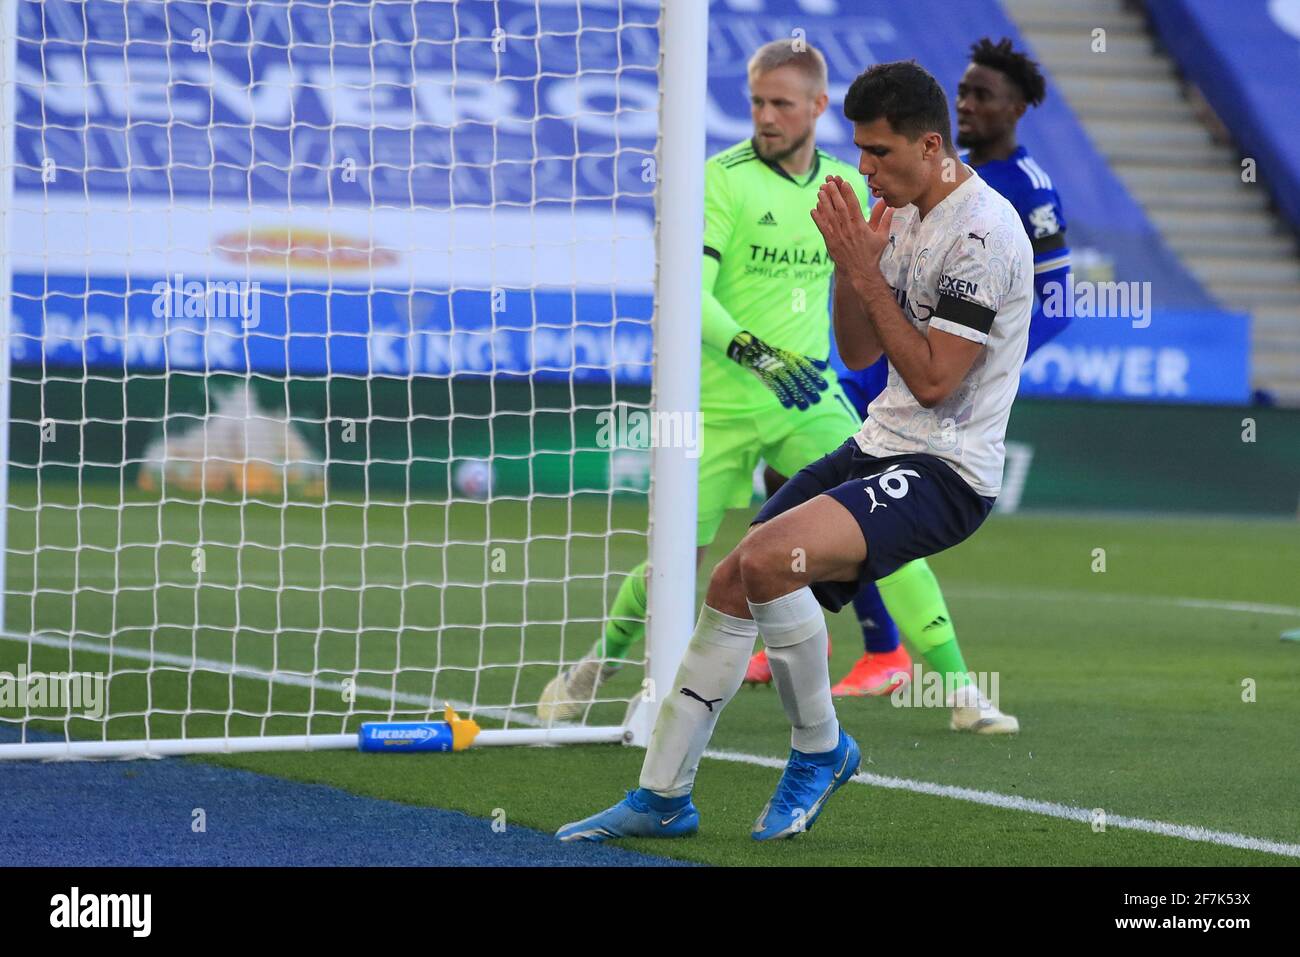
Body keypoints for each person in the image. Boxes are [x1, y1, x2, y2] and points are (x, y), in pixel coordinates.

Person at [557, 59, 1034, 842]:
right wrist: (858, 269)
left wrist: (859, 268)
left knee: (773, 558)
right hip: (880, 442)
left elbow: (937, 379)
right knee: (732, 578)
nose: (866, 169)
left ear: (929, 143)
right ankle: (662, 796)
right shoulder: (903, 210)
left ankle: (821, 748)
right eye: (859, 150)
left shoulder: (983, 233)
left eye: (878, 153)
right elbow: (854, 350)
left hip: (947, 469)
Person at [537, 39, 865, 721]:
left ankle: (957, 684)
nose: (765, 116)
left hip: (803, 400)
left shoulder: (848, 184)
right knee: (675, 561)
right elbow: (692, 293)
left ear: (817, 106)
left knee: (874, 510)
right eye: (756, 101)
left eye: (780, 103)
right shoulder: (721, 176)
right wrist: (755, 351)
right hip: (712, 403)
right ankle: (598, 664)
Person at [749, 37, 1069, 714]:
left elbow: (1035, 310)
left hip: (948, 434)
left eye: (983, 94)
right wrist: (851, 268)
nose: (970, 103)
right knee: (759, 557)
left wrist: (990, 352)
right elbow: (864, 347)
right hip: (885, 406)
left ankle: (930, 679)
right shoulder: (904, 195)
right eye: (964, 92)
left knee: (826, 540)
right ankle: (875, 657)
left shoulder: (1011, 200)